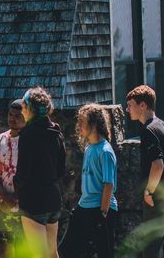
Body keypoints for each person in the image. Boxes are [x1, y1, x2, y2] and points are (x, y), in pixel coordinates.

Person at [125, 85, 164, 258]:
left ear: (143, 106)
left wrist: (149, 191)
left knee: (151, 248)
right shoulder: (163, 125)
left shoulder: (148, 130)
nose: (127, 109)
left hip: (157, 198)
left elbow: (158, 165)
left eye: (130, 105)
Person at [59, 103, 117, 258]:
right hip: (84, 206)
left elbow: (109, 184)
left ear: (94, 124)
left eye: (82, 122)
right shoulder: (89, 148)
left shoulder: (105, 151)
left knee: (105, 252)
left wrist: (103, 213)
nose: (79, 126)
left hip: (101, 208)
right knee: (66, 250)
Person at [15, 87, 66, 258]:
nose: (21, 110)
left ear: (29, 109)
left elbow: (23, 172)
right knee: (52, 253)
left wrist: (18, 193)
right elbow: (61, 169)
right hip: (53, 198)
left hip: (33, 200)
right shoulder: (57, 133)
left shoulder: (28, 135)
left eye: (23, 106)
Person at [0, 99, 26, 256]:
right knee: (3, 248)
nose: (13, 119)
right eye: (10, 115)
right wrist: (5, 195)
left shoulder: (29, 141)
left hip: (25, 205)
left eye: (18, 116)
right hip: (1, 203)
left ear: (25, 117)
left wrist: (17, 199)